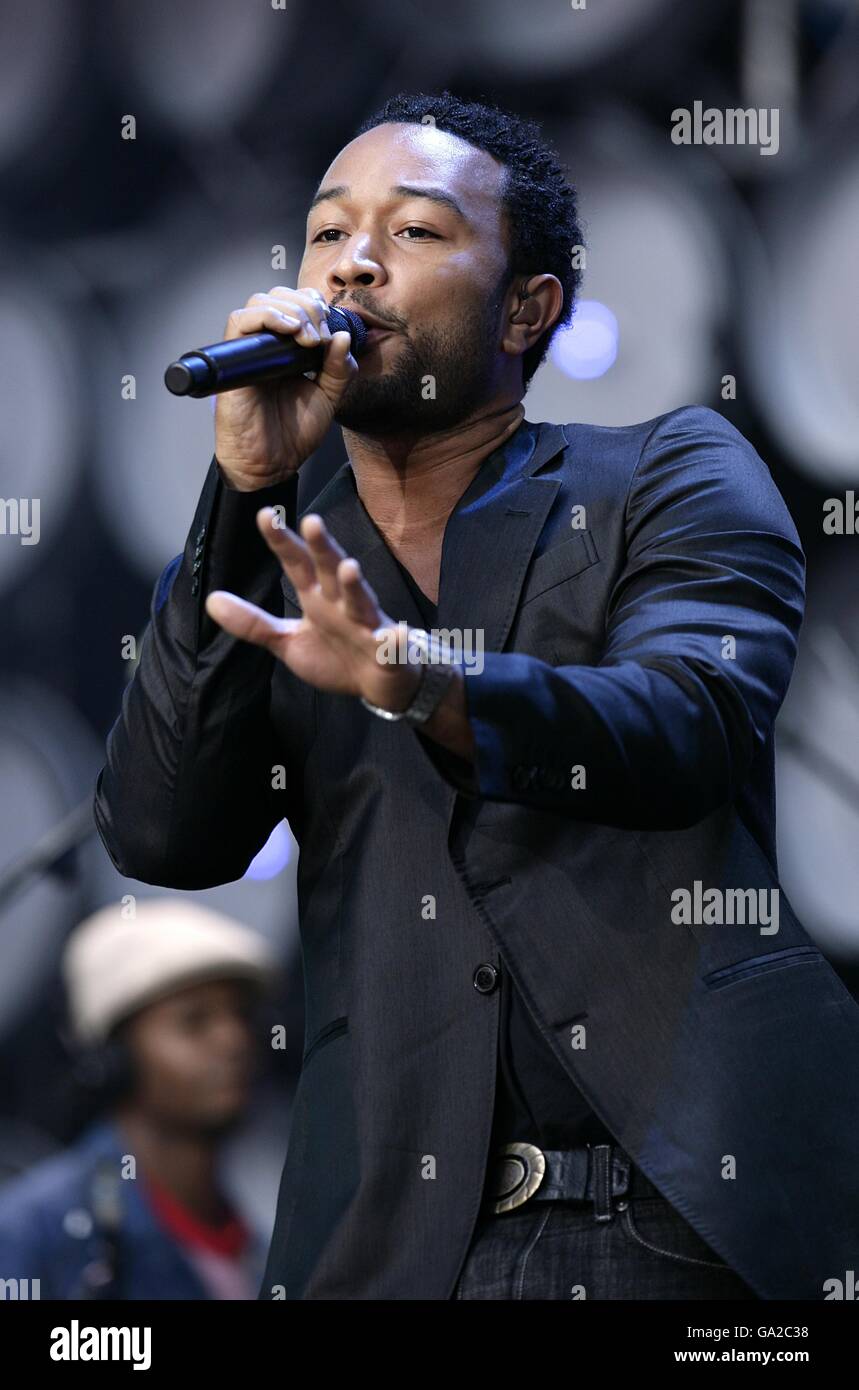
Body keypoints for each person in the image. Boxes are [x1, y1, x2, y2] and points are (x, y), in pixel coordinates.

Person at [93, 90, 859, 1301]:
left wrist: (418, 680)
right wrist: (241, 484)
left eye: (414, 234)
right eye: (329, 231)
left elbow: (686, 723)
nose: (353, 264)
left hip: (676, 1214)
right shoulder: (275, 554)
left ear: (527, 307)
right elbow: (162, 832)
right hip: (391, 1244)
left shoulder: (665, 473)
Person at [0, 899, 275, 1299]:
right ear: (114, 1059)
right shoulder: (36, 1232)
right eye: (194, 1021)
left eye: (242, 1017)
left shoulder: (269, 1244)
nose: (234, 1041)